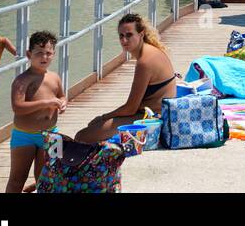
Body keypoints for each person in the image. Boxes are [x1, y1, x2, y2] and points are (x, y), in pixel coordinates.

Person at [74, 14, 177, 144]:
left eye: (129, 35)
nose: (124, 40)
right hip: (158, 115)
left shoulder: (145, 62)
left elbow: (130, 109)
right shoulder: (151, 51)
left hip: (153, 121)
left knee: (82, 136)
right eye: (121, 36)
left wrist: (103, 117)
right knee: (93, 128)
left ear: (141, 34)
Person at [7, 30, 65, 193]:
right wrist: (46, 102)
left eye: (48, 53)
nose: (44, 57)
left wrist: (63, 103)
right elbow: (17, 107)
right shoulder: (22, 80)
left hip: (51, 133)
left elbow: (62, 95)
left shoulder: (54, 77)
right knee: (17, 179)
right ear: (28, 54)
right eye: (39, 53)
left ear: (53, 54)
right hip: (24, 135)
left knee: (48, 179)